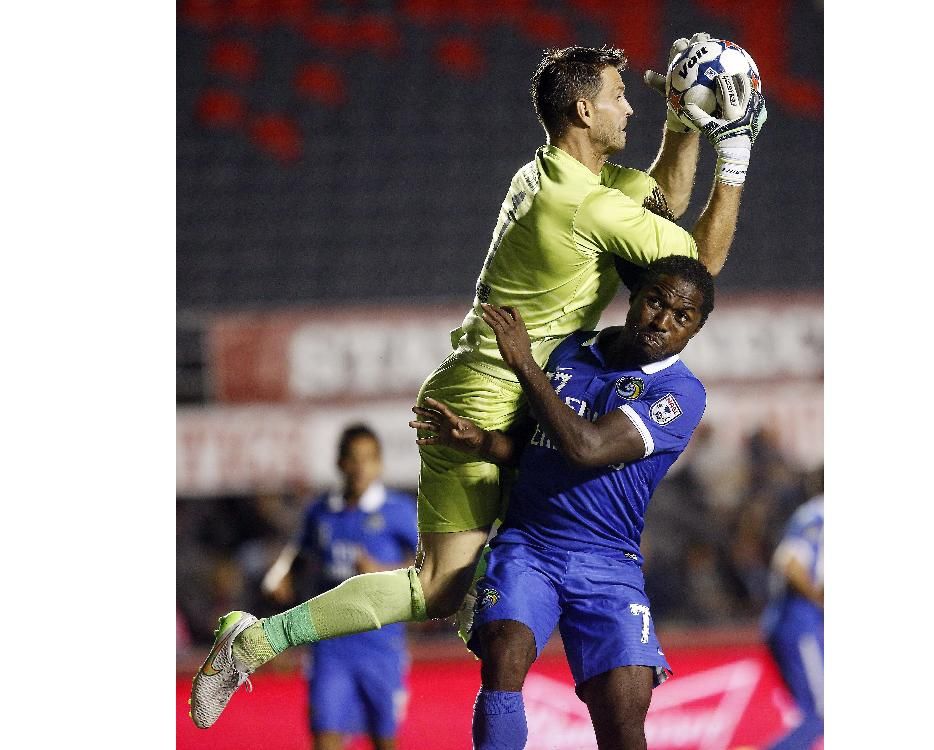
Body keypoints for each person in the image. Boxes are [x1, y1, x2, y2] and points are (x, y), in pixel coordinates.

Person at [191, 36, 767, 729]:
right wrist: (730, 150)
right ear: (584, 109)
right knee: (438, 585)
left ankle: (490, 609)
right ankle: (256, 640)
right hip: (496, 390)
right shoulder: (586, 207)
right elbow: (695, 269)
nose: (629, 109)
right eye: (619, 97)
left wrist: (681, 119)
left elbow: (662, 204)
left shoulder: (564, 178)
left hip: (498, 384)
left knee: (483, 579)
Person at [411, 255, 715, 749]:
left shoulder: (680, 393)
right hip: (528, 545)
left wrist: (524, 362)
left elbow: (586, 447)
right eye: (655, 302)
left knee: (622, 722)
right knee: (504, 656)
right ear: (635, 297)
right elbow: (539, 446)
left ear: (696, 328)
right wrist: (481, 441)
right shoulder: (571, 351)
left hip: (609, 564)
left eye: (681, 316)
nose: (662, 320)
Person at [192, 425, 418, 745]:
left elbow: (425, 563)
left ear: (380, 463)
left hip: (381, 645)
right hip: (328, 644)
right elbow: (299, 550)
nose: (360, 467)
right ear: (339, 463)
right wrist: (282, 573)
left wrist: (381, 569)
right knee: (324, 735)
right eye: (352, 459)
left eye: (368, 459)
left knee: (384, 740)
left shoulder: (398, 511)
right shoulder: (320, 511)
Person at [760, 490, 824, 750]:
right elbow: (791, 563)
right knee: (822, 712)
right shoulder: (818, 517)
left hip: (796, 621)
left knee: (813, 712)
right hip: (799, 621)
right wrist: (819, 600)